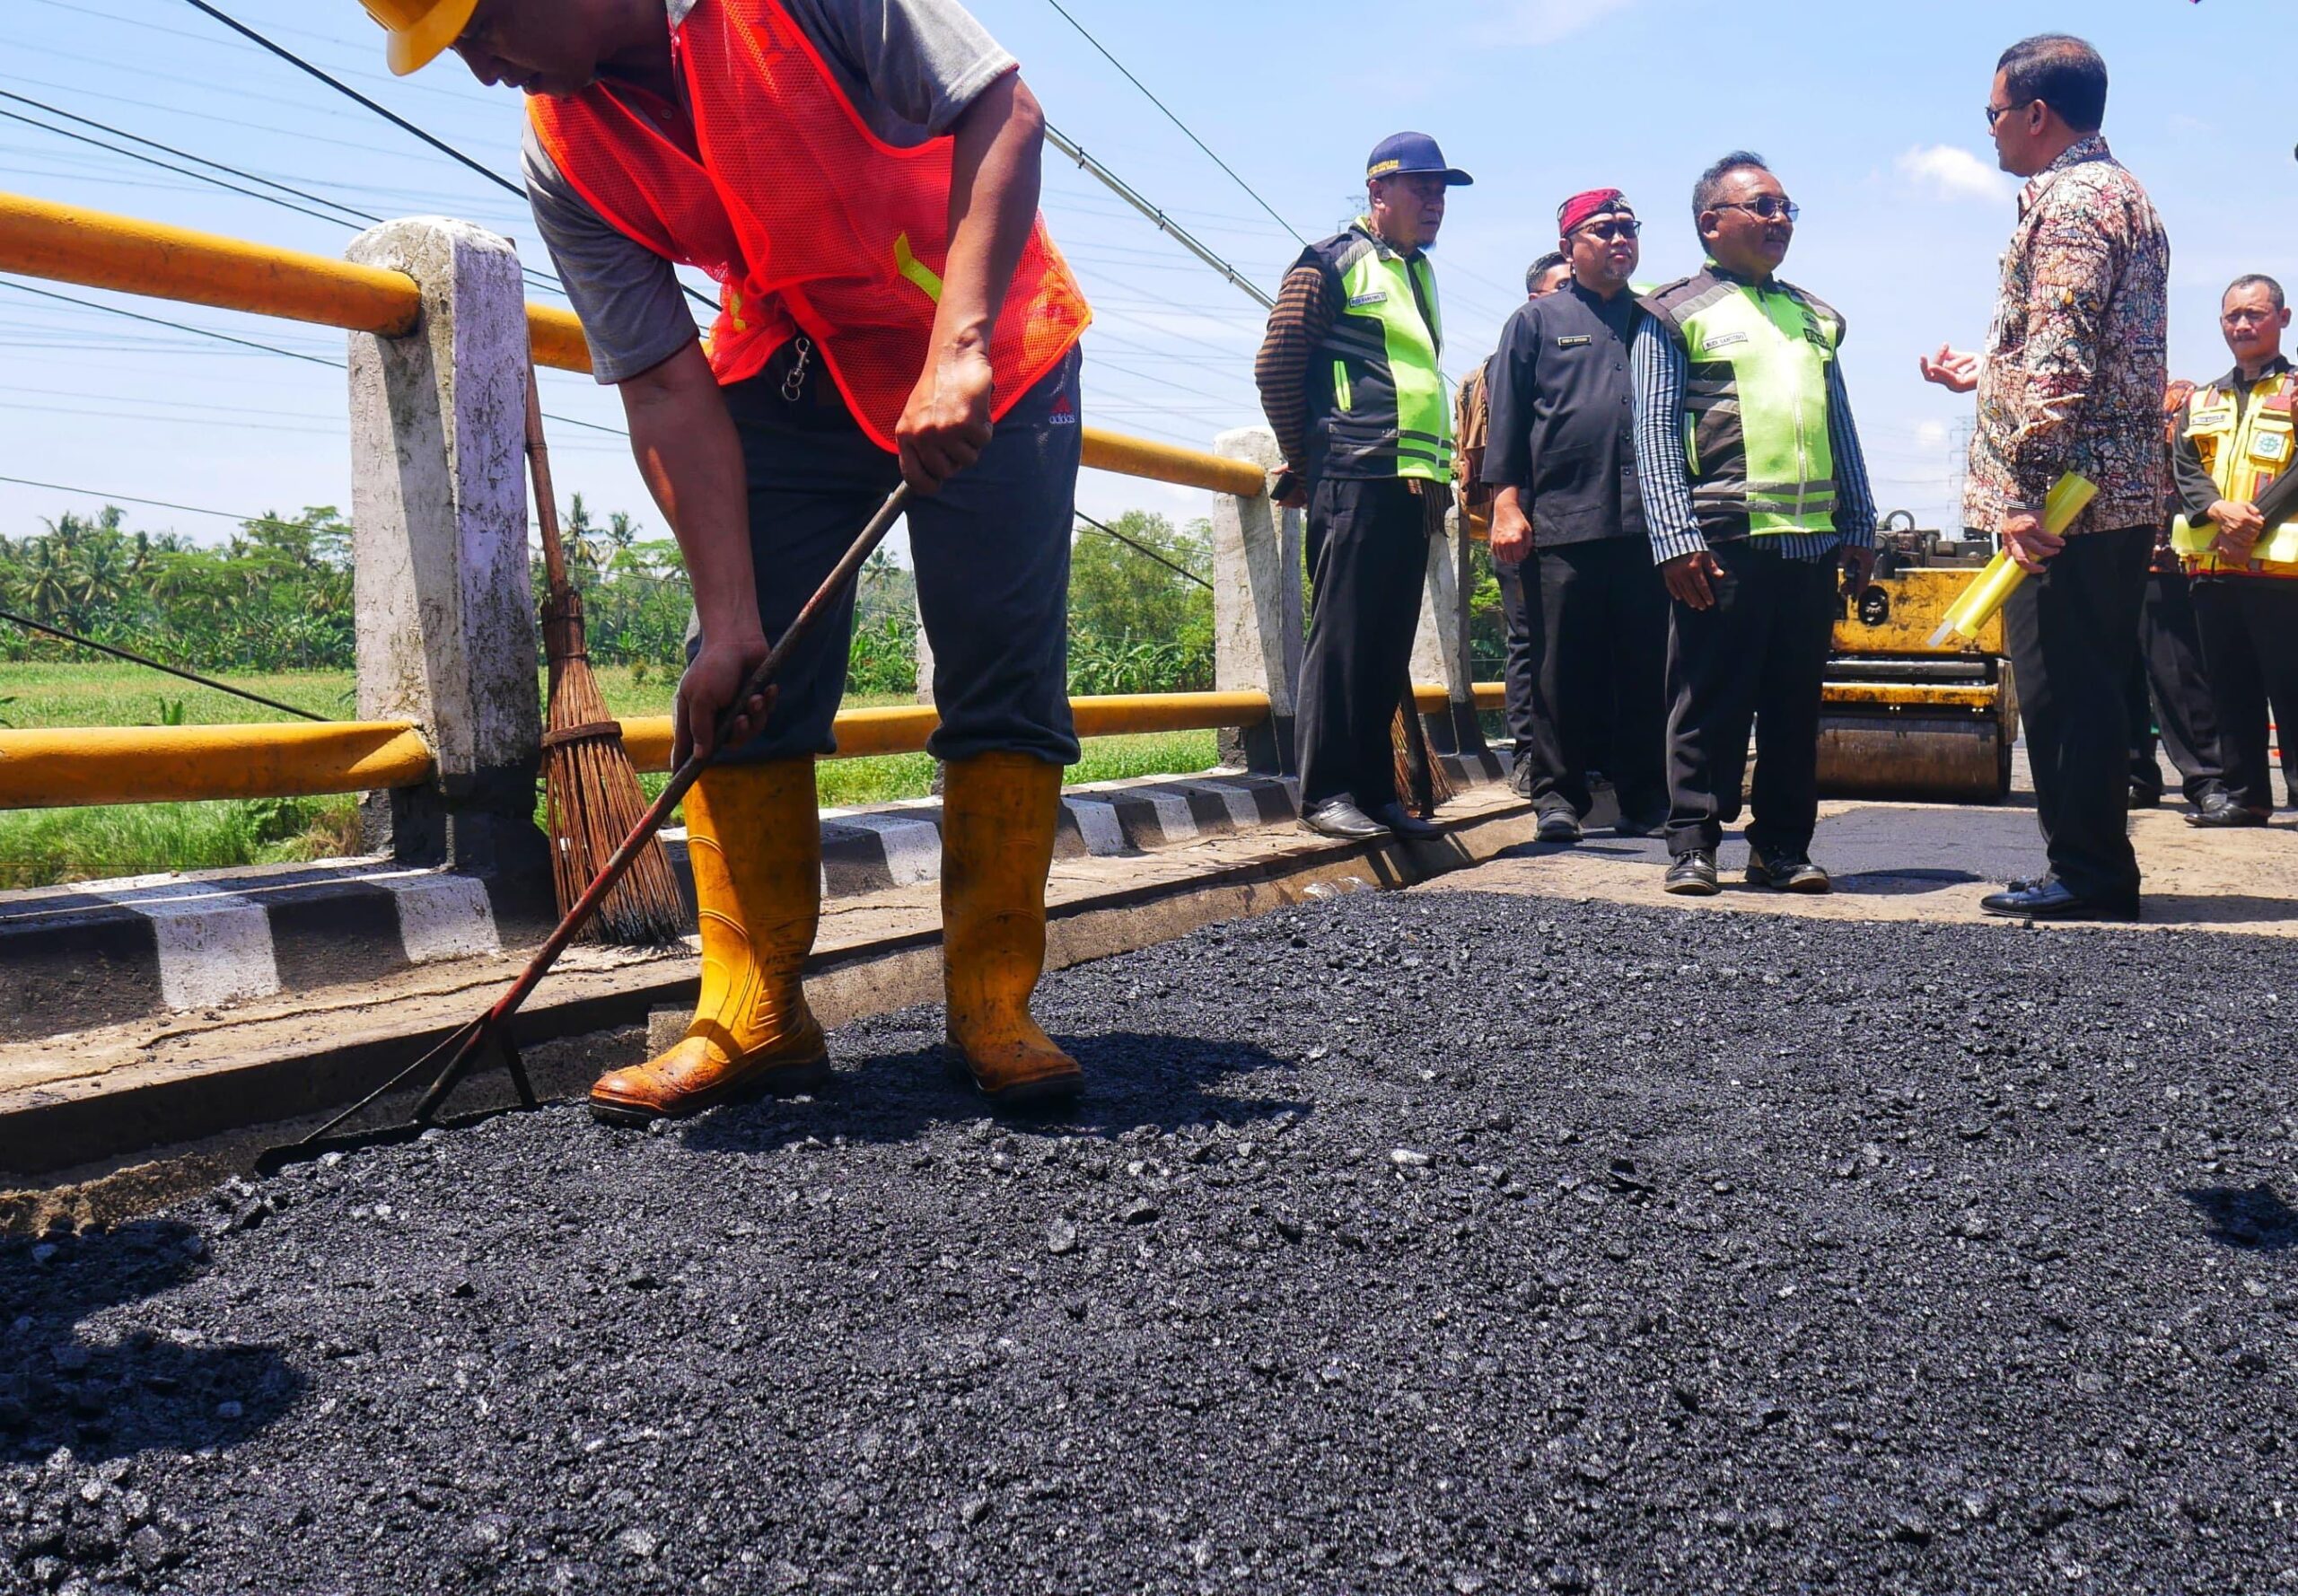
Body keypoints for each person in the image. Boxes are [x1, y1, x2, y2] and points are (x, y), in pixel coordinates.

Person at [357, 0, 1094, 1109]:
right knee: (739, 678)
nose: (482, 70)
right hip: (793, 366)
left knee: (1001, 670)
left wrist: (960, 351)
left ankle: (993, 998)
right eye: (458, 52)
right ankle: (754, 1011)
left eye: (484, 32)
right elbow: (661, 382)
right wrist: (734, 613)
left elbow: (1005, 107)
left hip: (983, 341)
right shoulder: (562, 151)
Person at [1923, 34, 2168, 920]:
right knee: (2087, 680)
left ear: (2035, 114)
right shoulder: (2117, 194)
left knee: (2066, 689)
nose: (1987, 131)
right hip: (2104, 493)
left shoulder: (2070, 204)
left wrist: (2023, 494)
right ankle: (2089, 862)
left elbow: (2062, 356)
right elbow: (2079, 347)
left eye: (1991, 113)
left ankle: (2090, 872)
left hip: (2067, 503)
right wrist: (1985, 373)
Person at [1631, 153, 1878, 896]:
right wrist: (1676, 540)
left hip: (1808, 545)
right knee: (1710, 698)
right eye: (1761, 208)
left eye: (1786, 210)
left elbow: (1841, 425)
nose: (1779, 222)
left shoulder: (1815, 316)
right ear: (1712, 223)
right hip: (1722, 542)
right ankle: (1693, 845)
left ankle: (1782, 847)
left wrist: (1860, 525)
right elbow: (1650, 433)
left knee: (1795, 705)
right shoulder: (1672, 312)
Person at [1257, 132, 1471, 841]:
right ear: (1378, 193)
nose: (1435, 202)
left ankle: (1379, 795)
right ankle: (1325, 795)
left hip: (1413, 483)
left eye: (1442, 191)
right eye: (1421, 188)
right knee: (1344, 640)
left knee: (1385, 643)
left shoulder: (1418, 273)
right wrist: (1308, 456)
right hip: (1355, 474)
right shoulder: (1331, 262)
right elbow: (1277, 363)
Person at [1484, 190, 1667, 844]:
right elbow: (1506, 416)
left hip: (1648, 526)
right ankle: (1557, 799)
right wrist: (1506, 503)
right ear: (1570, 246)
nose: (1619, 239)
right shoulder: (1535, 322)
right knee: (1558, 668)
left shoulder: (1657, 320)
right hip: (1561, 521)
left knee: (1644, 667)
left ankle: (1646, 799)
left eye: (1628, 228)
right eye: (1603, 229)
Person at [2170, 274, 2298, 824]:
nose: (2243, 325)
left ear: (2283, 319)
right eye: (2232, 317)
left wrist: (2252, 520)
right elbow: (2185, 465)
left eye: (2255, 314)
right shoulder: (2203, 397)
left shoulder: (2294, 390)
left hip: (2282, 571)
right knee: (2230, 685)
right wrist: (2219, 512)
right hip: (2214, 566)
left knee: (2291, 685)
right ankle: (2245, 797)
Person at [1455, 250, 1568, 790]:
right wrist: (1508, 508)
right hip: (1523, 519)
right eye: (1562, 285)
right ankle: (1529, 756)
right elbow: (1507, 442)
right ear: (1535, 298)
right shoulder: (1517, 355)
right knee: (1530, 638)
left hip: (1571, 517)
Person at [2127, 379, 2236, 818]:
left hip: (2162, 559)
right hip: (2102, 557)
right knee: (2117, 674)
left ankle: (2208, 779)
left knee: (2176, 675)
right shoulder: (2084, 405)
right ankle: (2134, 775)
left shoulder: (2181, 397)